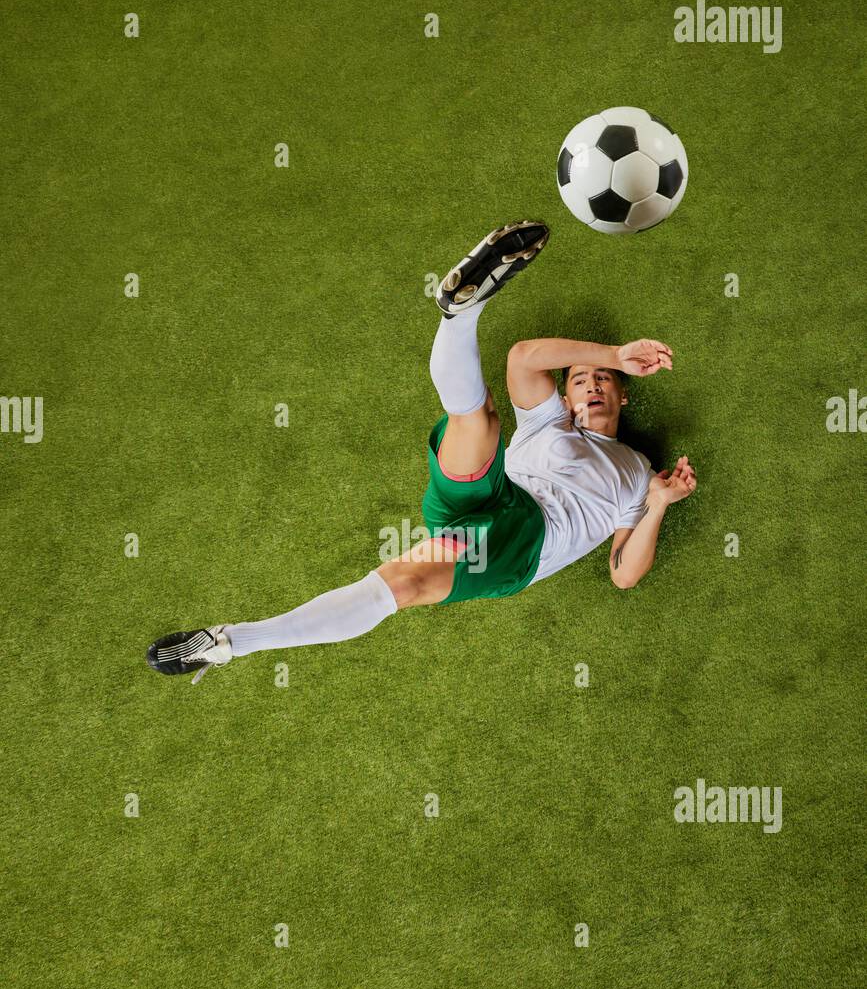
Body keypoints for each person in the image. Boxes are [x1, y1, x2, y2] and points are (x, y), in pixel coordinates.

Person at [147, 220, 696, 683]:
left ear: (624, 397)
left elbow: (623, 573)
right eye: (580, 379)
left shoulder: (636, 474)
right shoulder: (550, 423)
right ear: (568, 397)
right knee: (476, 419)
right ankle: (459, 314)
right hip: (496, 493)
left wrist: (660, 503)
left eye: (604, 379)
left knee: (402, 584)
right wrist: (616, 354)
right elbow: (525, 356)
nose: (593, 384)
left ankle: (230, 642)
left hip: (524, 541)